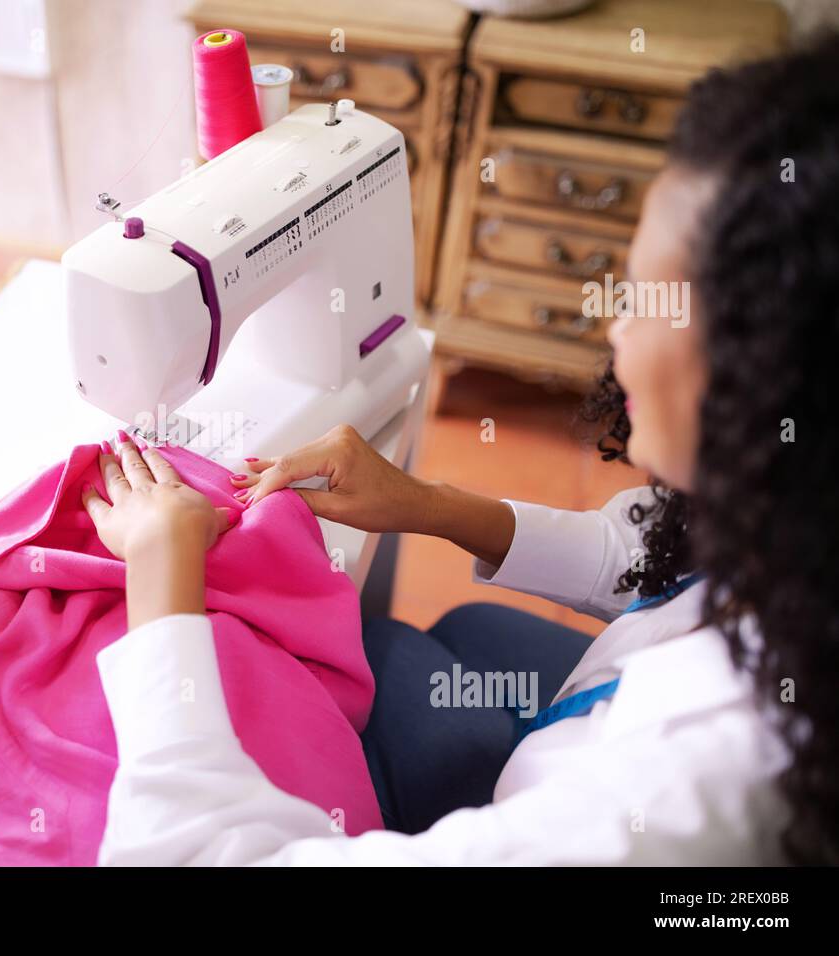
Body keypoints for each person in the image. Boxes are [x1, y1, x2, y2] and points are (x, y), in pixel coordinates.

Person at [78, 37, 839, 865]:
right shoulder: (801, 523)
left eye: (655, 303)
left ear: (768, 379)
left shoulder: (690, 802)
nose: (616, 330)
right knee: (444, 639)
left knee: (371, 689)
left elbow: (191, 856)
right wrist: (425, 504)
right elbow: (653, 558)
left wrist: (160, 573)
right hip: (597, 705)